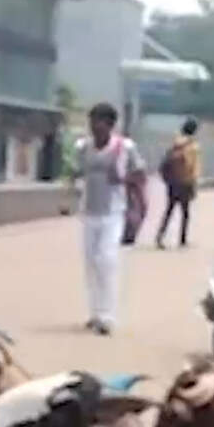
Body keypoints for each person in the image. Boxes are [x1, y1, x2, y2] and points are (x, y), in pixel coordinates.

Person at [72, 102, 146, 335]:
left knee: (107, 260)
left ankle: (107, 315)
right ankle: (94, 312)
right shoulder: (84, 147)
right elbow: (77, 172)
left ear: (110, 125)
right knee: (91, 262)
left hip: (113, 212)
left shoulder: (124, 147)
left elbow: (141, 173)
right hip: (89, 211)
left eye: (99, 122)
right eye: (92, 122)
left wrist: (122, 178)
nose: (94, 127)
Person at [156, 117, 201, 249]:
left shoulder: (175, 144)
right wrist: (194, 182)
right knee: (185, 213)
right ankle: (182, 240)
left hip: (173, 182)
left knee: (169, 210)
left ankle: (159, 237)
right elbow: (193, 166)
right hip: (185, 182)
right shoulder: (193, 146)